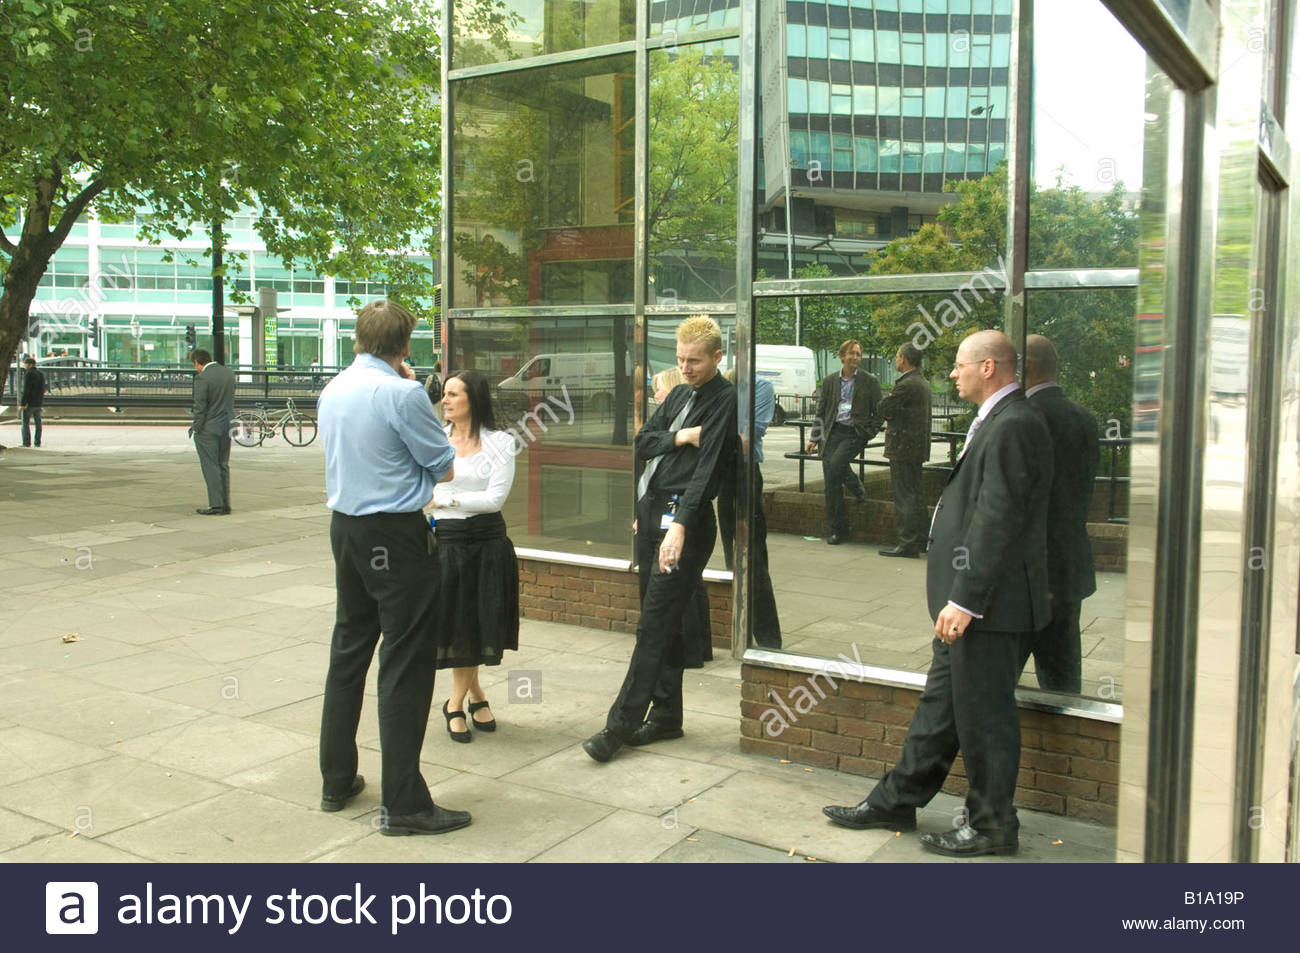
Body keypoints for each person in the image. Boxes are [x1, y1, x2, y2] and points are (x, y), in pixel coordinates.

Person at [821, 330, 1052, 857]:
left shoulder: (1015, 423)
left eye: (959, 365)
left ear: (989, 368)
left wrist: (966, 599)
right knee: (940, 708)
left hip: (990, 608)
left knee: (985, 717)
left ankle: (993, 825)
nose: (952, 373)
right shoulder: (999, 417)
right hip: (971, 605)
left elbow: (999, 519)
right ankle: (897, 799)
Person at [317, 299, 470, 836]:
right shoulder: (402, 392)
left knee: (349, 650)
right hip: (396, 536)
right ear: (405, 346)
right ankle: (403, 803)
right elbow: (445, 467)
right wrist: (412, 392)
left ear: (359, 339)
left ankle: (336, 778)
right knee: (404, 663)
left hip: (347, 530)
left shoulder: (333, 388)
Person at [583, 315, 737, 762]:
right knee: (660, 619)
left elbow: (707, 470)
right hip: (655, 512)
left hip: (683, 519)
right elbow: (643, 441)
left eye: (695, 361)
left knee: (652, 624)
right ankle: (667, 715)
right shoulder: (682, 396)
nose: (685, 368)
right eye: (680, 359)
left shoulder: (725, 401)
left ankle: (619, 726)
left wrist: (681, 527)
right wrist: (681, 436)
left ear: (717, 357)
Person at [428, 369, 520, 742]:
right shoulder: (436, 439)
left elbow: (494, 499)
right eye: (444, 394)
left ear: (474, 400)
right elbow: (421, 487)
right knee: (460, 624)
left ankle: (453, 702)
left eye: (453, 394)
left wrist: (444, 499)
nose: (445, 400)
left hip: (485, 541)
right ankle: (475, 696)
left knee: (478, 622)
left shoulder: (500, 442)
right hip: (447, 542)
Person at [1020, 334, 1098, 694]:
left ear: (1028, 367)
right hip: (1069, 566)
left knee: (995, 678)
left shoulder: (1021, 419)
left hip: (1027, 572)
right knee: (1064, 678)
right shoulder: (1085, 419)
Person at [647, 367, 713, 669]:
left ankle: (690, 650)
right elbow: (643, 444)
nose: (655, 395)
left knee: (679, 582)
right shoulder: (667, 423)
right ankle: (698, 648)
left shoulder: (691, 412)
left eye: (658, 388)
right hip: (662, 504)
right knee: (689, 583)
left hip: (676, 507)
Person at [719, 368, 781, 647]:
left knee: (754, 558)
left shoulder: (761, 387)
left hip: (746, 472)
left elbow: (752, 430)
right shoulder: (723, 382)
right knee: (731, 555)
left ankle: (769, 640)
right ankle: (741, 629)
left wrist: (718, 431)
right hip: (724, 474)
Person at [806, 340, 882, 545]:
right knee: (831, 482)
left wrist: (869, 433)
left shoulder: (869, 381)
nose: (856, 357)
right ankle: (835, 530)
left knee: (836, 464)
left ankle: (857, 487)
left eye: (858, 354)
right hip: (832, 432)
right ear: (842, 356)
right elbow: (821, 411)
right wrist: (814, 438)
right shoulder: (830, 381)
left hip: (855, 433)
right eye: (852, 354)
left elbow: (880, 411)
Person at [877, 342, 932, 557]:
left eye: (898, 356)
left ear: (904, 359)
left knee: (904, 497)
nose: (896, 360)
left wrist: (883, 404)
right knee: (915, 495)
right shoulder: (921, 382)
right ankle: (919, 540)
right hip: (915, 447)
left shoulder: (906, 384)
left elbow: (884, 408)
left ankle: (906, 542)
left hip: (902, 447)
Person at [188, 348, 236, 515]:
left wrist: (196, 427)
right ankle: (225, 504)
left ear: (197, 362)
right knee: (223, 464)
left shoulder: (202, 378)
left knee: (210, 465)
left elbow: (200, 407)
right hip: (228, 425)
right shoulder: (229, 373)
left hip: (209, 427)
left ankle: (216, 504)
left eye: (195, 365)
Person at [18, 357, 46, 448]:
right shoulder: (41, 373)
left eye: (25, 364)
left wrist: (22, 404)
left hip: (29, 403)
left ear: (29, 364)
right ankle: (37, 442)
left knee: (25, 423)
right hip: (38, 402)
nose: (24, 366)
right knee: (38, 423)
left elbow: (26, 390)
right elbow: (42, 389)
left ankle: (26, 442)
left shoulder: (28, 374)